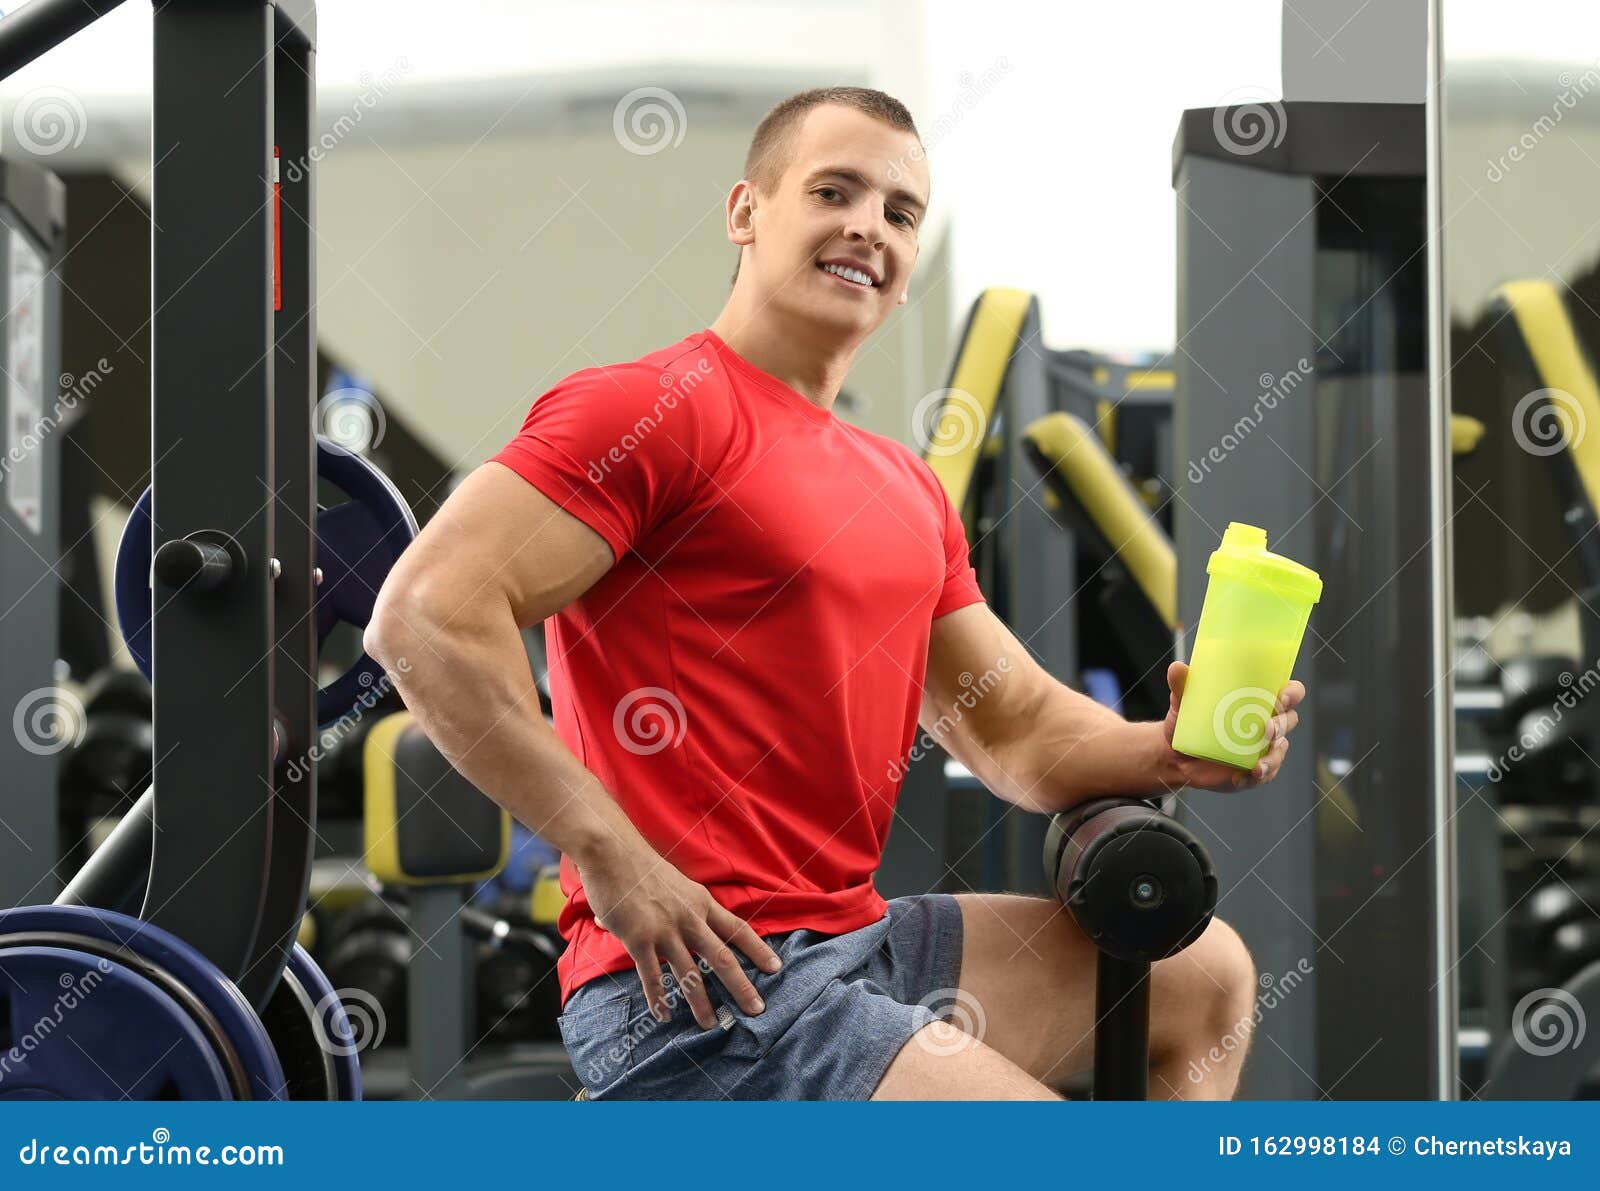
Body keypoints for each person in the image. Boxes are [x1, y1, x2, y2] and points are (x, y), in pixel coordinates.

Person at [365, 86, 1305, 1101]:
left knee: (1199, 979)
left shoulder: (903, 486)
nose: (868, 226)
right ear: (746, 212)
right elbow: (425, 615)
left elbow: (1019, 729)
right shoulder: (649, 410)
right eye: (833, 192)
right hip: (698, 984)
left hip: (852, 944)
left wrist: (1168, 746)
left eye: (900, 213)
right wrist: (609, 853)